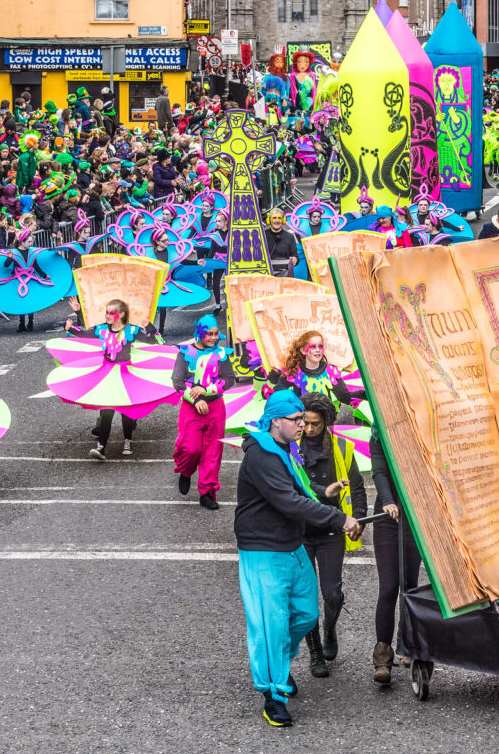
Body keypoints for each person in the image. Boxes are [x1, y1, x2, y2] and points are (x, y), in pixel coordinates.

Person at [235, 389, 361, 727]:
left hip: (291, 545)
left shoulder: (283, 449)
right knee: (271, 626)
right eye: (296, 421)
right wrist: (339, 518)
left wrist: (324, 493)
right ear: (276, 421)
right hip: (263, 551)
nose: (302, 426)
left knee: (306, 614)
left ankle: (279, 661)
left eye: (303, 421)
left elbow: (297, 488)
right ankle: (273, 695)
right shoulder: (261, 454)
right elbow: (287, 501)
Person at [299, 393, 367, 679]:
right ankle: (315, 653)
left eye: (315, 423)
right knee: (304, 597)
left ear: (327, 422)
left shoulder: (341, 447)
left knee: (332, 592)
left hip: (330, 531)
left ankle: (329, 629)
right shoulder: (290, 447)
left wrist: (359, 519)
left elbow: (359, 488)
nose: (309, 428)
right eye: (305, 422)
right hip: (300, 531)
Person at [65, 298, 158, 459]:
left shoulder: (131, 331)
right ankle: (101, 447)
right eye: (106, 312)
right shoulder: (102, 329)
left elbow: (152, 340)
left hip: (125, 374)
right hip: (107, 373)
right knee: (106, 411)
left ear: (121, 314)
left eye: (111, 313)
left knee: (126, 410)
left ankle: (127, 440)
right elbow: (84, 334)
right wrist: (71, 327)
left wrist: (148, 326)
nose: (107, 315)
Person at [369, 426, 421, 684]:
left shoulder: (418, 424)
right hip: (388, 516)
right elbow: (379, 471)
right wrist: (388, 500)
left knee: (410, 586)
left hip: (416, 515)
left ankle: (409, 644)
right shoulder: (378, 431)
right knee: (389, 586)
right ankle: (382, 657)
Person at [172, 315, 236, 510]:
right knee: (191, 448)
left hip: (215, 407)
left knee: (213, 451)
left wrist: (207, 391)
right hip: (191, 408)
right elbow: (178, 383)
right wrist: (196, 398)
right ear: (200, 333)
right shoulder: (185, 353)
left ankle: (207, 492)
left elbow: (229, 379)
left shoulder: (221, 354)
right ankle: (186, 471)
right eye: (210, 334)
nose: (214, 338)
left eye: (216, 334)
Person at [269, 330, 364, 410]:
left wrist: (365, 394)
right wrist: (272, 382)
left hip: (324, 421)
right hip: (301, 422)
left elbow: (345, 397)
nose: (318, 350)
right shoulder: (294, 372)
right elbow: (278, 396)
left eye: (320, 346)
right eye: (313, 347)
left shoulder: (330, 372)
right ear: (303, 350)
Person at [264, 208, 297, 276]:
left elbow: (295, 256)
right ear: (269, 220)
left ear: (283, 220)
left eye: (279, 218)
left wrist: (295, 259)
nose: (277, 220)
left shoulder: (290, 236)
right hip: (267, 273)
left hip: (285, 274)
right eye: (274, 218)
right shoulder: (263, 235)